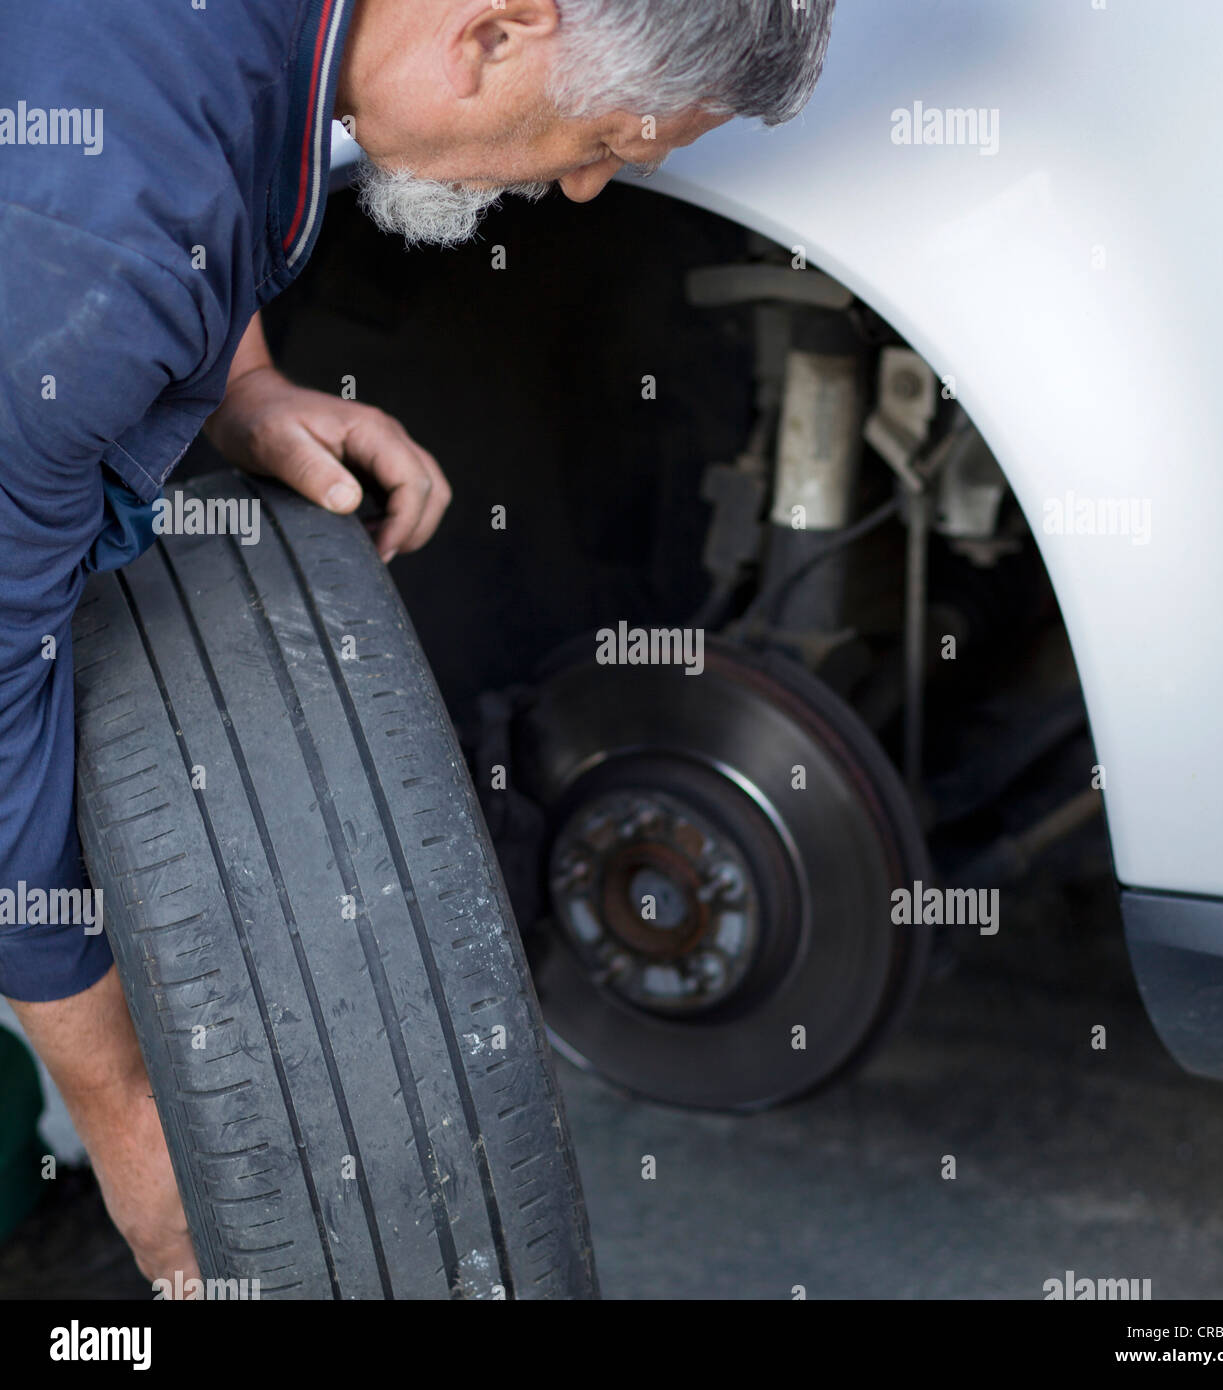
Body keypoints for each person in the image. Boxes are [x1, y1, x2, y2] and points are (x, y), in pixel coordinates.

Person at [0, 0, 834, 1291]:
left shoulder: (182, 135)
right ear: (498, 32)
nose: (580, 185)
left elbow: (179, 117)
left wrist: (236, 380)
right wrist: (132, 1121)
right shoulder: (98, 247)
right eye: (604, 138)